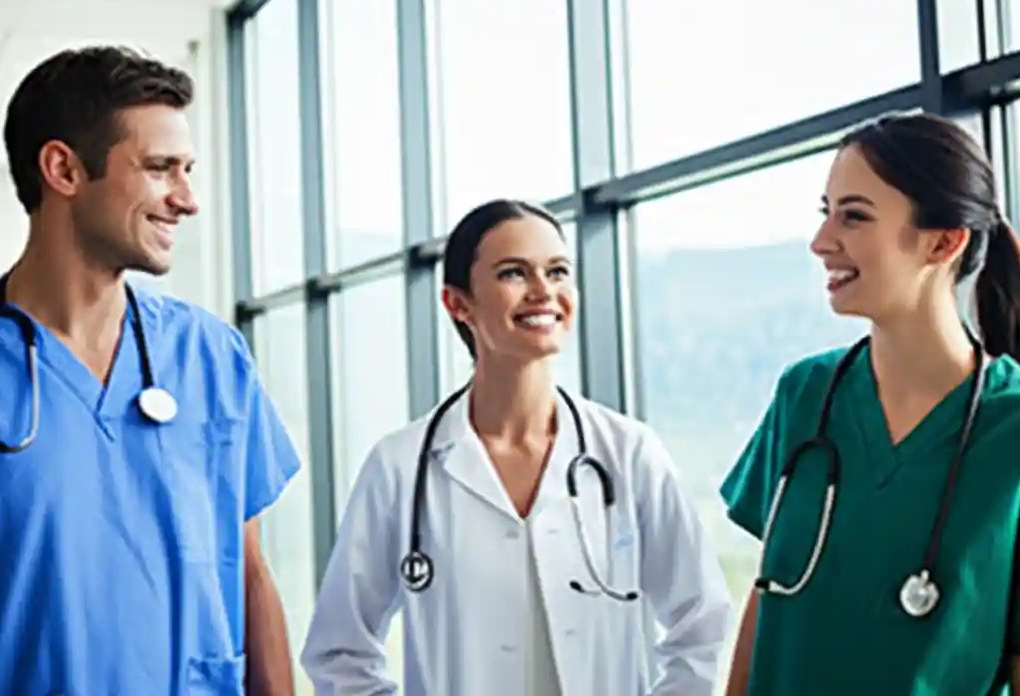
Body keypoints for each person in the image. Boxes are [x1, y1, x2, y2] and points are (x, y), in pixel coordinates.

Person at [0, 46, 301, 695]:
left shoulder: (212, 358)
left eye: (188, 170)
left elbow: (250, 578)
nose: (188, 200)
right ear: (63, 168)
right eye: (160, 170)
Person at [720, 112, 1020, 695]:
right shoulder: (804, 397)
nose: (821, 242)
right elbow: (770, 601)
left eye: (854, 216)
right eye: (826, 213)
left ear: (943, 241)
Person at [300, 199, 731, 694]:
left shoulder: (629, 455)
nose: (543, 291)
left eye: (558, 271)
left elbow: (702, 622)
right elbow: (339, 650)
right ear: (458, 304)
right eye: (513, 273)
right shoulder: (399, 467)